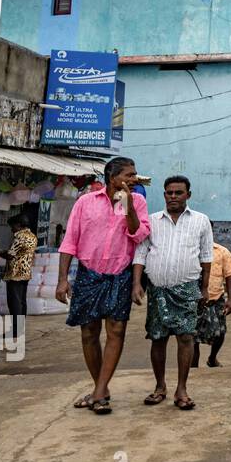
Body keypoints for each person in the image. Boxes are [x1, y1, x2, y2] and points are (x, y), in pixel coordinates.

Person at [57, 157, 151, 414]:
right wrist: (63, 279)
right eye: (130, 175)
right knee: (89, 332)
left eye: (135, 174)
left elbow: (139, 235)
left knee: (116, 330)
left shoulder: (137, 201)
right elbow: (69, 243)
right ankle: (101, 387)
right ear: (113, 177)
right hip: (89, 274)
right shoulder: (85, 203)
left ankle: (99, 392)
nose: (135, 179)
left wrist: (128, 205)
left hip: (120, 274)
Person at [132, 175, 212, 411]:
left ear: (189, 194)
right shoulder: (152, 221)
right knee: (157, 338)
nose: (173, 197)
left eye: (178, 192)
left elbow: (207, 257)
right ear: (164, 194)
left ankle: (182, 389)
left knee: (186, 337)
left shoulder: (201, 221)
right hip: (157, 290)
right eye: (169, 193)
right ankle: (159, 387)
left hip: (187, 289)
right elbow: (140, 253)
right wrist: (137, 284)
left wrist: (205, 288)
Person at [193, 242, 231, 368]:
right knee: (192, 337)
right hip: (195, 301)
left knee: (220, 333)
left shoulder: (222, 251)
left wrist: (230, 300)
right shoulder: (190, 250)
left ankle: (212, 358)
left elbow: (230, 276)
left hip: (216, 299)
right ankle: (192, 367)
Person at [0, 215, 38, 337]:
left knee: (14, 302)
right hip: (25, 272)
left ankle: (15, 330)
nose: (12, 229)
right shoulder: (32, 236)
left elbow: (10, 255)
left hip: (15, 273)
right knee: (21, 301)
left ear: (19, 224)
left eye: (13, 226)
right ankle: (20, 329)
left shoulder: (19, 236)